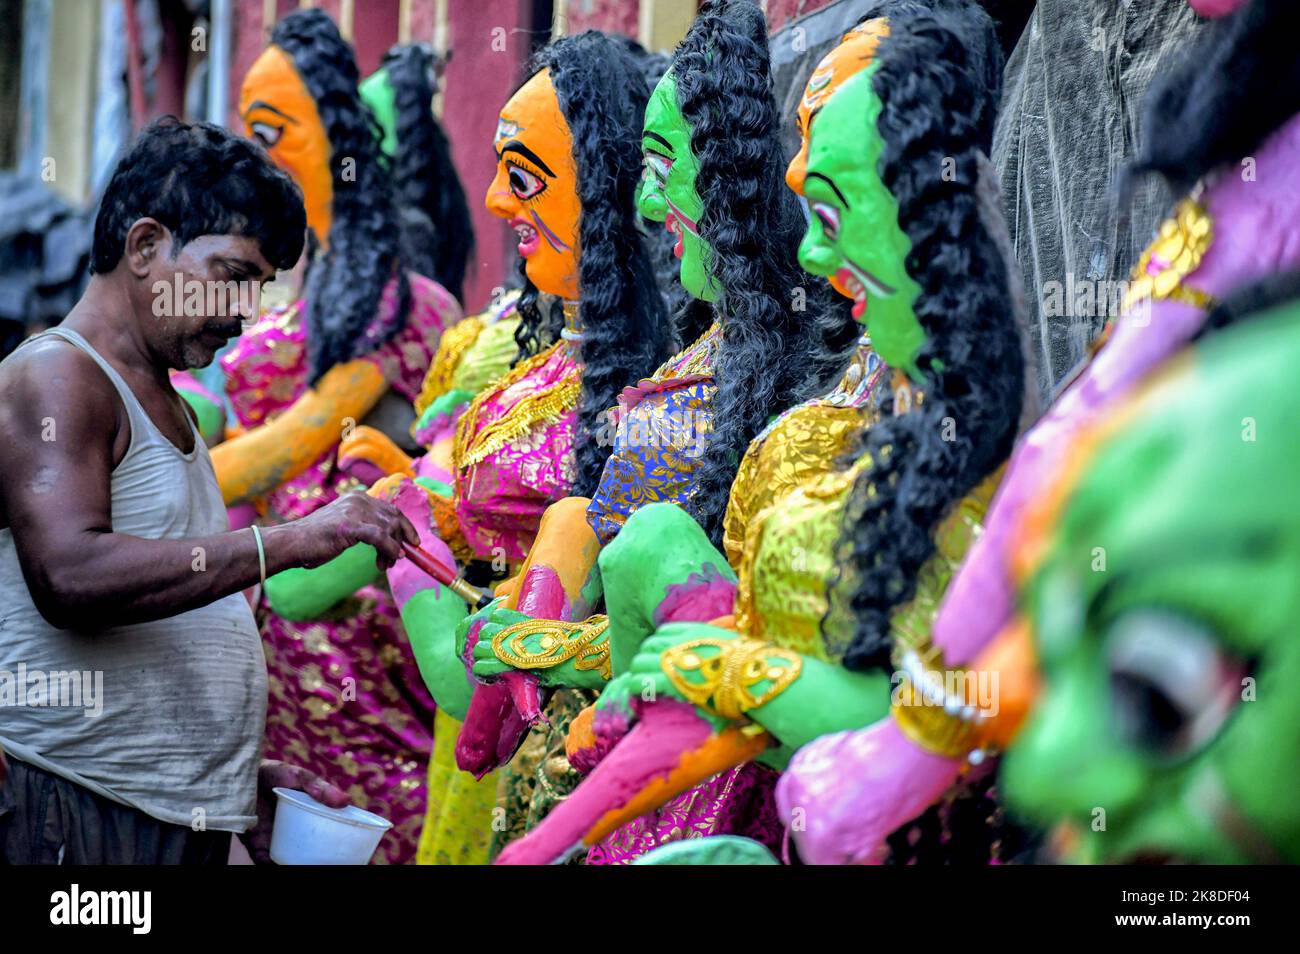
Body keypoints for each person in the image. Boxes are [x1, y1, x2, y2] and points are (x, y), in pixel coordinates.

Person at [0, 118, 418, 865]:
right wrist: (288, 542)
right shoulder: (58, 377)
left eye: (260, 287)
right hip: (71, 813)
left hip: (152, 818)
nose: (244, 311)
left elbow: (153, 628)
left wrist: (230, 784)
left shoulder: (171, 403)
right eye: (232, 276)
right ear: (144, 246)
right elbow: (69, 577)